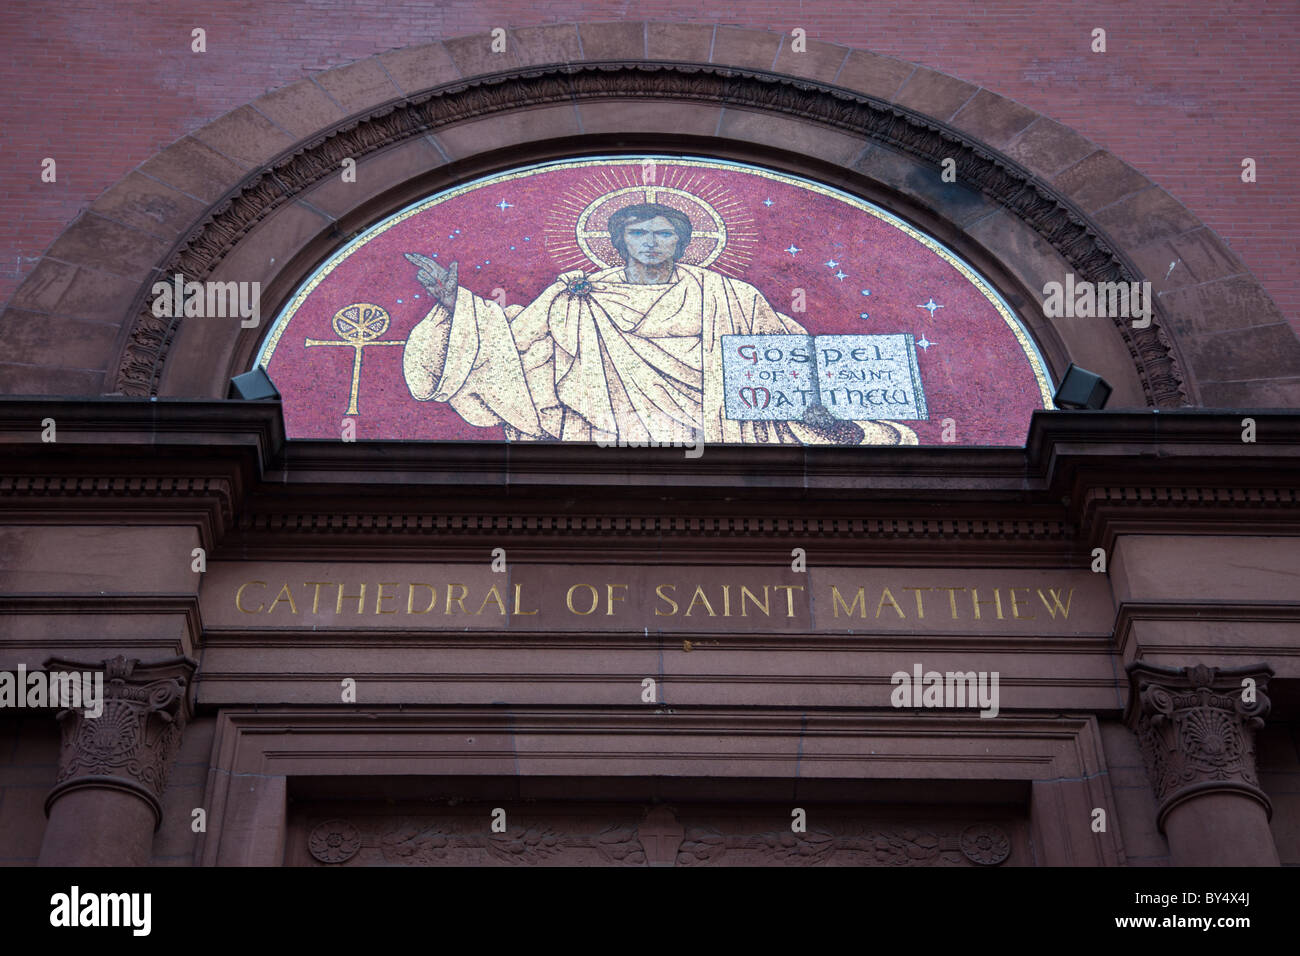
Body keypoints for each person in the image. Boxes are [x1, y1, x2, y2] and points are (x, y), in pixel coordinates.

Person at [402, 202, 915, 445]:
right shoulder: (578, 293)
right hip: (602, 436)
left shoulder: (730, 294)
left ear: (683, 242)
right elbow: (510, 348)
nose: (651, 242)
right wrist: (457, 305)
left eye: (664, 234)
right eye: (639, 232)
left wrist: (827, 402)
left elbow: (782, 358)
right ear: (619, 241)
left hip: (725, 436)